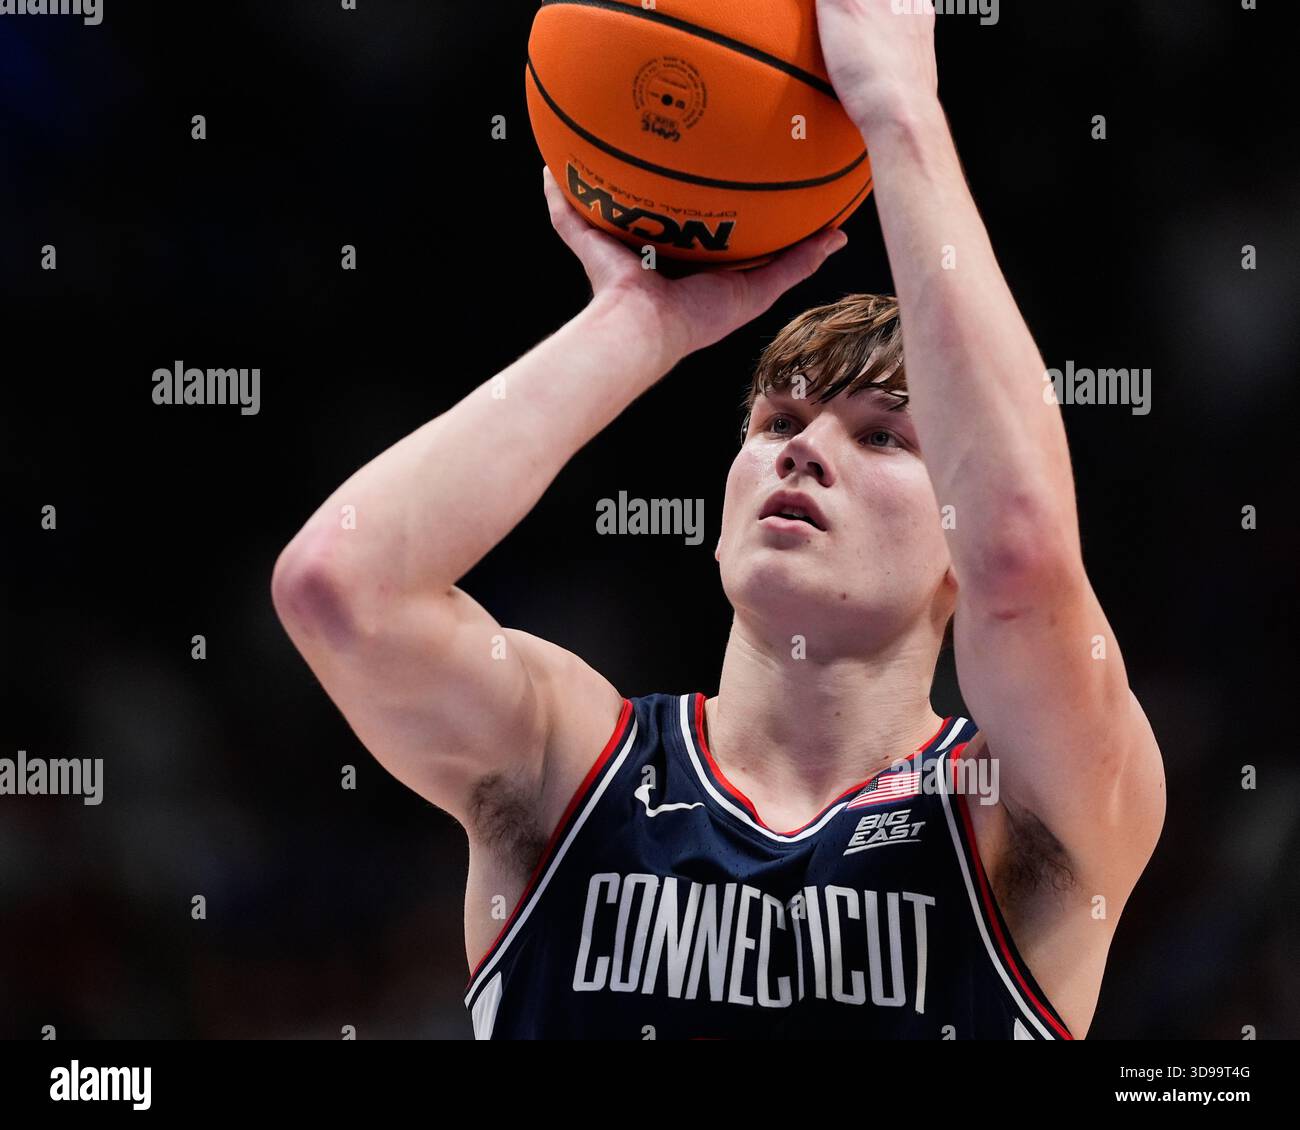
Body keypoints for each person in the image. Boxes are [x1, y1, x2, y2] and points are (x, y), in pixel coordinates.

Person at [271, 0, 1164, 1039]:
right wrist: (639, 325)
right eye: (777, 416)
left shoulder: (1015, 815)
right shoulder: (571, 760)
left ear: (956, 542)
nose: (804, 447)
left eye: (883, 436)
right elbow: (339, 586)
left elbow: (1022, 551)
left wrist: (900, 113)